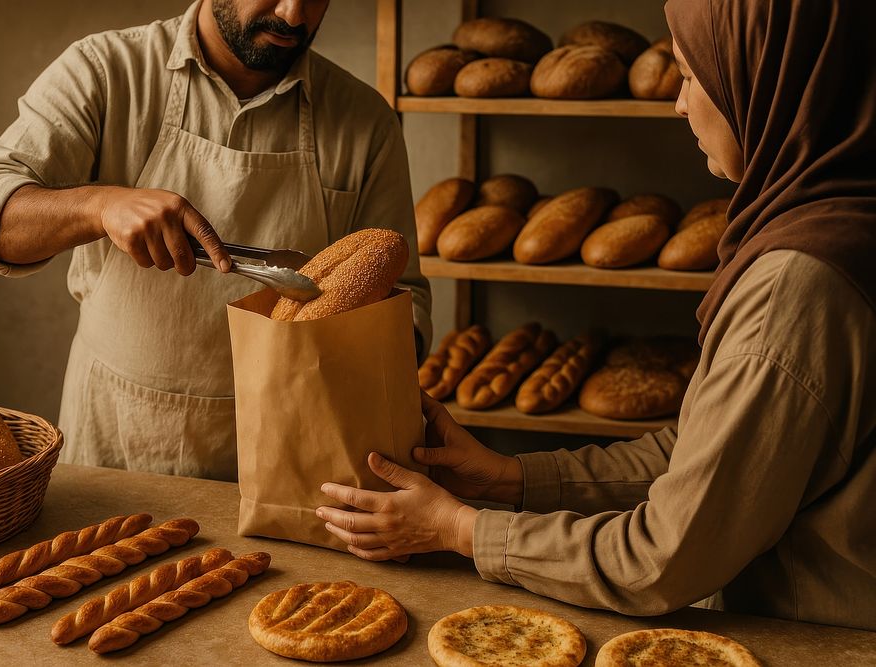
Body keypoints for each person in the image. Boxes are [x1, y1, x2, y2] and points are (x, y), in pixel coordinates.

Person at [318, 0, 876, 631]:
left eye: (692, 75)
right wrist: (512, 479)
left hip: (819, 642)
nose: (679, 104)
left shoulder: (797, 286)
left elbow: (662, 559)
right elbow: (701, 454)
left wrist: (459, 528)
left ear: (770, 83)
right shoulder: (839, 221)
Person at [0, 0, 432, 481]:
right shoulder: (106, 70)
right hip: (115, 439)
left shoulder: (365, 120)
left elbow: (405, 306)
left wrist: (374, 349)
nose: (292, 14)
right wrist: (100, 206)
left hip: (280, 455)